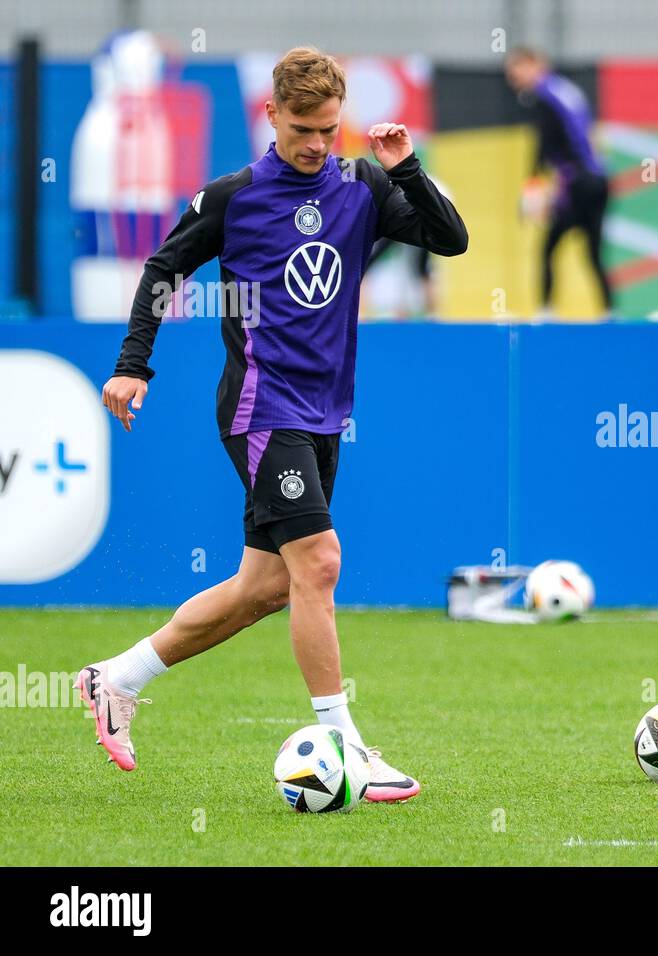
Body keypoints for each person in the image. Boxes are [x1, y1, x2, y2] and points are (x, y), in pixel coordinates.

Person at [84, 47, 468, 802]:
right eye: (302, 128)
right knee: (318, 563)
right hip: (262, 410)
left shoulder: (362, 185)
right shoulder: (235, 197)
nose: (317, 143)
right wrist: (134, 364)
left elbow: (449, 240)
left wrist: (409, 167)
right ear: (271, 114)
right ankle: (349, 748)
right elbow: (163, 269)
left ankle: (114, 679)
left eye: (328, 129)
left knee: (264, 587)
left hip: (324, 414)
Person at [504, 46, 613, 316]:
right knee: (593, 253)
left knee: (549, 248)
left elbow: (545, 147)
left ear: (533, 65)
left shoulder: (543, 97)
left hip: (580, 183)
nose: (511, 78)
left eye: (515, 70)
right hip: (598, 179)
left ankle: (546, 313)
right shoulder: (566, 90)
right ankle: (609, 313)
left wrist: (532, 189)